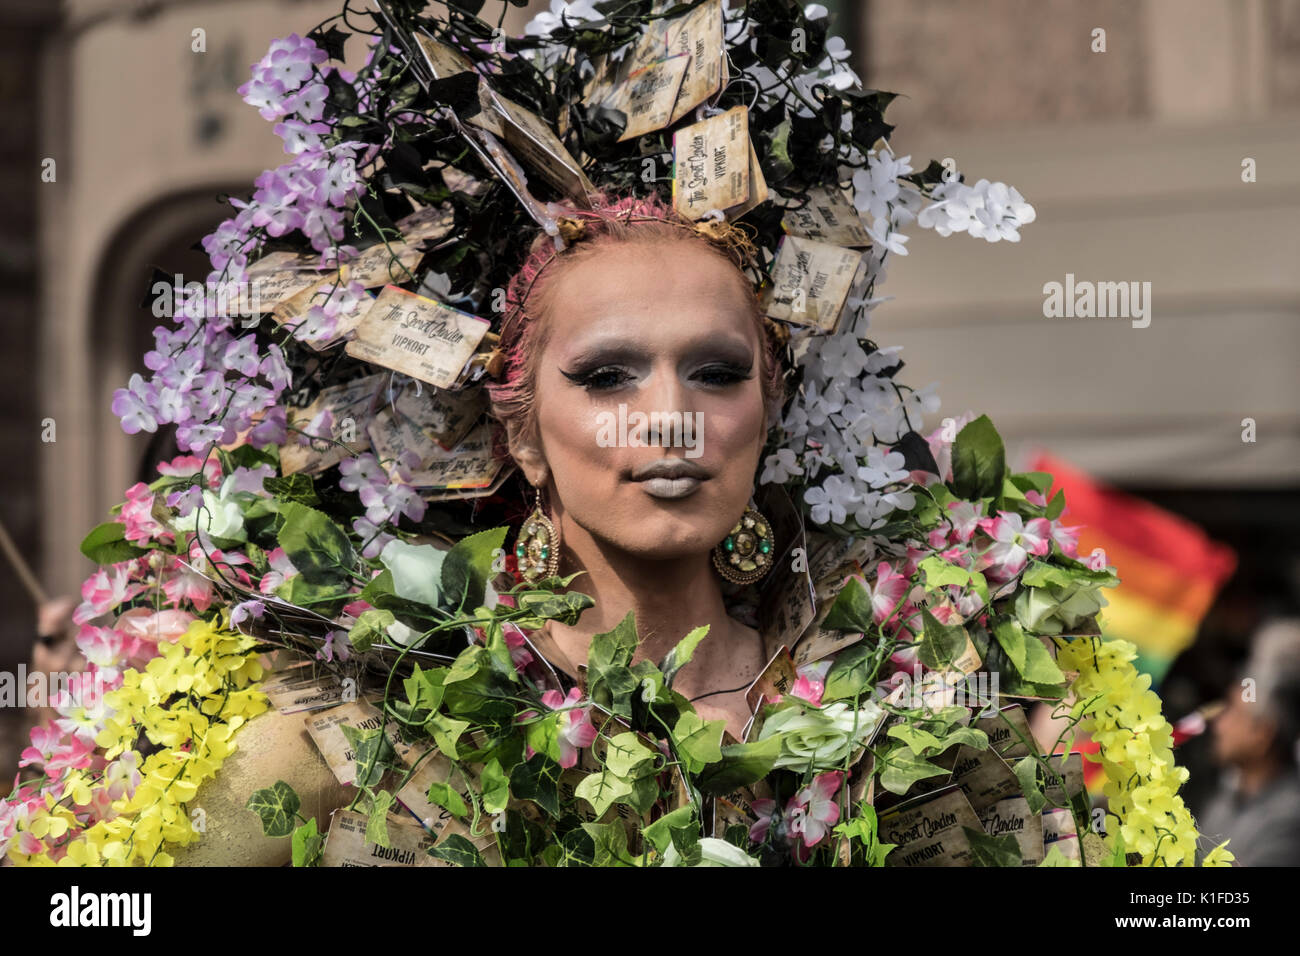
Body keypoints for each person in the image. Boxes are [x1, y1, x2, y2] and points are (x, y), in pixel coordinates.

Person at [486, 191, 788, 742]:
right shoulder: (430, 719)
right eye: (606, 377)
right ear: (524, 437)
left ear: (765, 423)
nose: (671, 419)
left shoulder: (890, 693)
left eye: (717, 374)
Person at [1198, 617, 1300, 865]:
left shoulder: (1289, 820)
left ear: (1262, 734)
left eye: (1233, 712)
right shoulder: (1228, 797)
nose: (1219, 725)